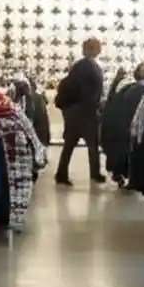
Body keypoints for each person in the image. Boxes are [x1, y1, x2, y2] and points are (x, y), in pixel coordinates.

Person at [55, 38, 106, 186]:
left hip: (75, 112)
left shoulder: (80, 66)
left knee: (70, 144)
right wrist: (95, 106)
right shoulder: (88, 67)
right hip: (85, 113)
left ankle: (62, 173)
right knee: (92, 145)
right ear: (92, 49)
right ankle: (94, 174)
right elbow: (88, 91)